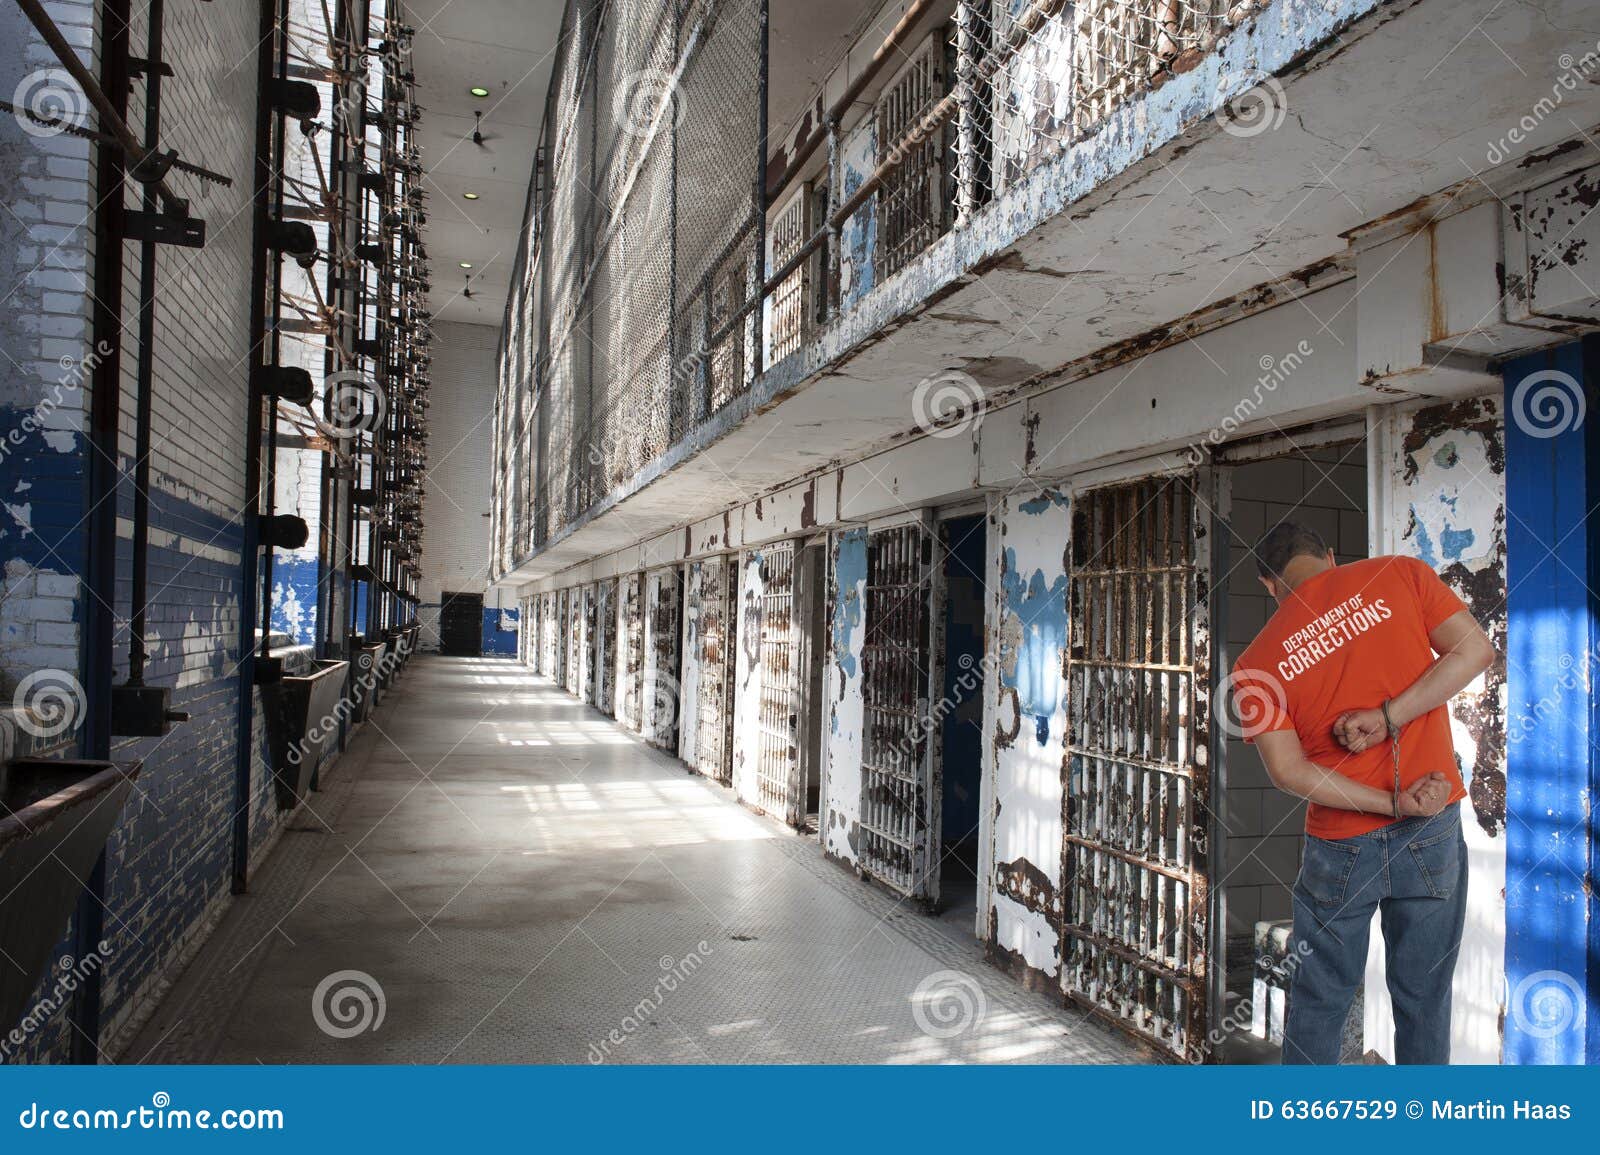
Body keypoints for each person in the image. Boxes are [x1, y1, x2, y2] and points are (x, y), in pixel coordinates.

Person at [1230, 522, 1496, 1064]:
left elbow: (1288, 772)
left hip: (1340, 843)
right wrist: (1389, 718)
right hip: (1431, 825)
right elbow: (1475, 653)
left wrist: (1388, 803)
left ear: (1268, 584)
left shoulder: (1254, 664)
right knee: (1424, 997)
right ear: (1330, 554)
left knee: (1320, 998)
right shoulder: (1401, 574)